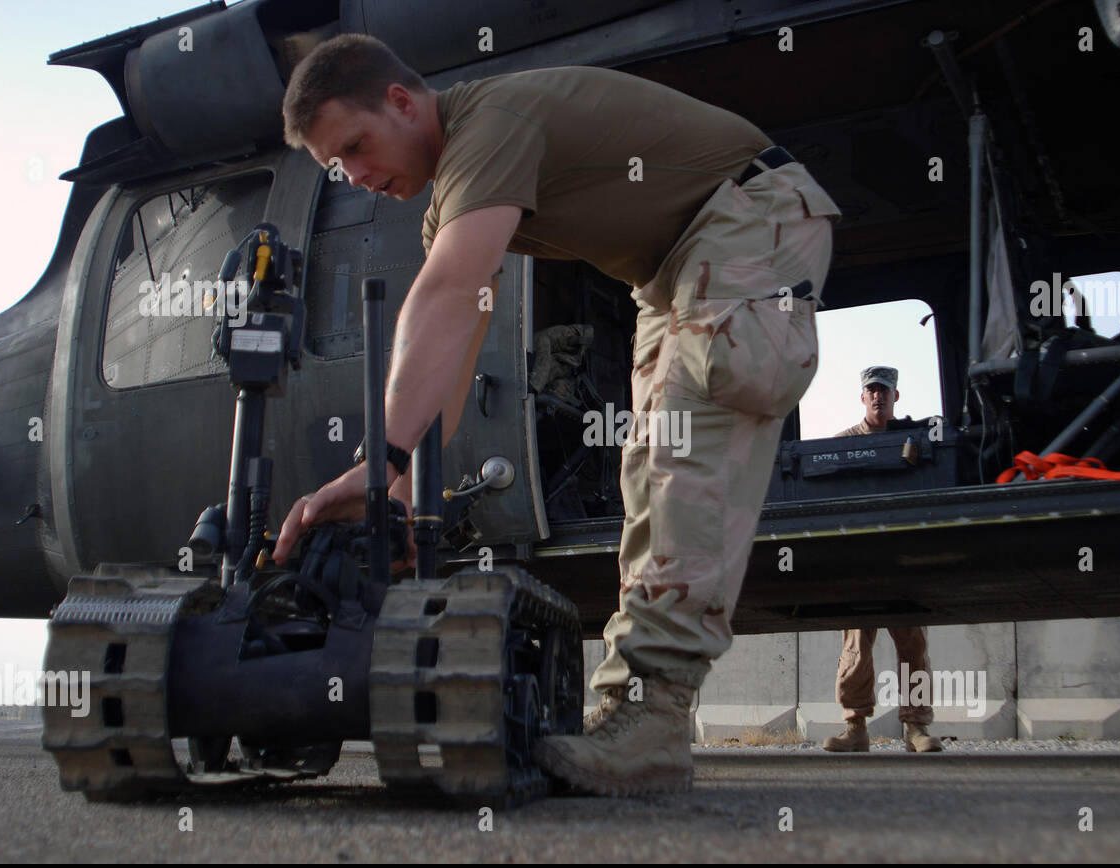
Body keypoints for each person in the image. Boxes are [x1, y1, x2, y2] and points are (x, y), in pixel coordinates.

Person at [273, 35, 839, 794]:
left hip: (747, 213)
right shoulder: (452, 200)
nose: (356, 176)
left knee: (685, 459)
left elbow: (446, 293)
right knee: (650, 470)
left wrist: (380, 458)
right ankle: (637, 714)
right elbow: (456, 340)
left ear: (402, 102)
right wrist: (396, 491)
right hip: (672, 265)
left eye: (354, 145)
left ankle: (653, 719)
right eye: (336, 167)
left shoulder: (490, 122)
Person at [824, 367, 944, 753]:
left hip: (901, 555)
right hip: (858, 557)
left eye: (884, 390)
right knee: (856, 644)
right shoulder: (842, 442)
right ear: (862, 397)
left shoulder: (912, 438)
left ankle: (916, 728)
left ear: (896, 396)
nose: (878, 396)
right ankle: (855, 726)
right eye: (871, 390)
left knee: (912, 644)